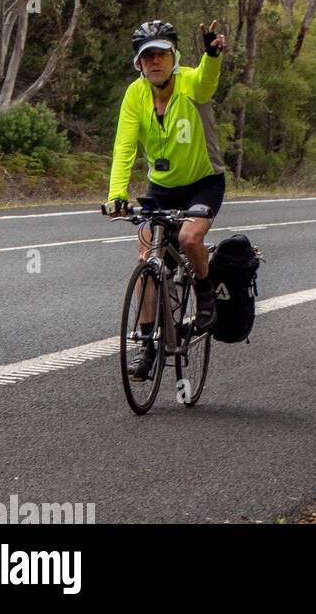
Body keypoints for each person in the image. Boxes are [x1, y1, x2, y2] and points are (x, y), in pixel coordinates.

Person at [106, 19, 227, 380]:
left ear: (174, 57)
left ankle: (204, 291)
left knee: (190, 238)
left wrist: (213, 55)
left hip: (204, 181)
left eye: (162, 54)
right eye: (148, 57)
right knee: (147, 252)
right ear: (138, 64)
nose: (155, 62)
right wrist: (117, 194)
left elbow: (207, 83)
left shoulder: (190, 81)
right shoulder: (135, 94)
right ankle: (146, 346)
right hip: (162, 187)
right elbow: (125, 146)